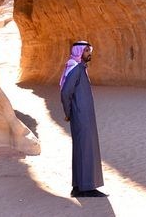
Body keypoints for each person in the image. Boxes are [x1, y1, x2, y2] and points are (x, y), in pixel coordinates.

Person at [60, 40, 106, 198]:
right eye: (86, 50)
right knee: (86, 148)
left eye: (89, 50)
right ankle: (87, 187)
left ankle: (79, 186)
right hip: (81, 116)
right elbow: (66, 92)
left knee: (81, 148)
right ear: (79, 52)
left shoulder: (78, 68)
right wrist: (68, 112)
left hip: (83, 116)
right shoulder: (77, 69)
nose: (89, 53)